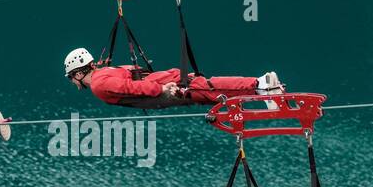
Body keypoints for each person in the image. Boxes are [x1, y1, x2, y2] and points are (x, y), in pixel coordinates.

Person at [63, 47, 283, 109]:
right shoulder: (105, 71)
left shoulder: (99, 84)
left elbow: (131, 88)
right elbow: (132, 72)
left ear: (80, 73)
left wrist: (162, 91)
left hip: (162, 88)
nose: (73, 82)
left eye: (72, 77)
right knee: (208, 91)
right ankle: (260, 92)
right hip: (163, 80)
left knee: (207, 89)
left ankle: (260, 85)